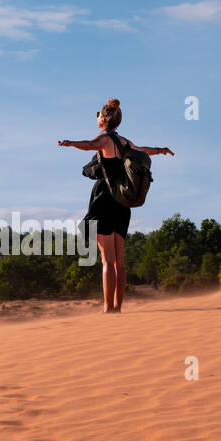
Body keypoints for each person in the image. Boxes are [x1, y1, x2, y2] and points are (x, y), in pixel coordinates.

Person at [58, 98, 174, 313]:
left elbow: (91, 145)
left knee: (107, 261)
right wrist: (160, 150)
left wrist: (71, 143)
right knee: (120, 262)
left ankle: (107, 308)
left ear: (103, 119)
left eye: (98, 116)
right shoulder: (125, 142)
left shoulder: (106, 140)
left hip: (104, 200)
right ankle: (117, 308)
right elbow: (142, 150)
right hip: (123, 203)